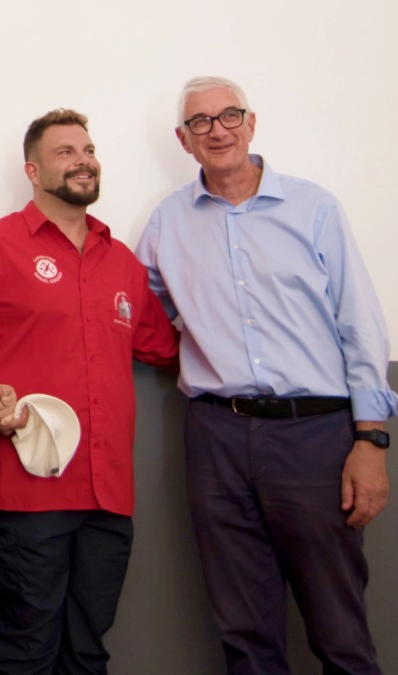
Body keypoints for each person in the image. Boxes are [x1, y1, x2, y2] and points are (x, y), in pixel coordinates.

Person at [135, 76, 396, 675]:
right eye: (200, 122)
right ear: (183, 139)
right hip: (216, 436)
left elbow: (361, 325)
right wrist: (192, 338)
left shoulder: (315, 208)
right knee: (244, 628)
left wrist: (371, 439)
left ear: (252, 123)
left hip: (316, 434)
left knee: (338, 624)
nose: (217, 130)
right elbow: (142, 306)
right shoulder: (168, 220)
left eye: (229, 115)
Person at [0, 109, 179, 675]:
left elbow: (168, 349)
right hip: (24, 489)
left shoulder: (123, 264)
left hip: (109, 495)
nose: (83, 160)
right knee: (28, 646)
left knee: (88, 648)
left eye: (88, 149)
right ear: (33, 171)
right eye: (66, 152)